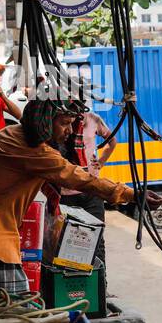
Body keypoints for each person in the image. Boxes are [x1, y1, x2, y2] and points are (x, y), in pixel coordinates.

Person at [0, 96, 162, 298]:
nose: (70, 131)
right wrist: (131, 193)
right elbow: (79, 178)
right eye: (64, 123)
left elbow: (47, 183)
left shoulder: (13, 135)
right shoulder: (32, 150)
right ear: (45, 121)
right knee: (16, 318)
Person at [58, 107, 117, 297]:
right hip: (66, 192)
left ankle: (101, 290)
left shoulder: (92, 119)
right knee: (69, 243)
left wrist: (101, 162)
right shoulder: (60, 123)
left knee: (97, 240)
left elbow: (111, 141)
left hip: (92, 189)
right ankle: (74, 290)